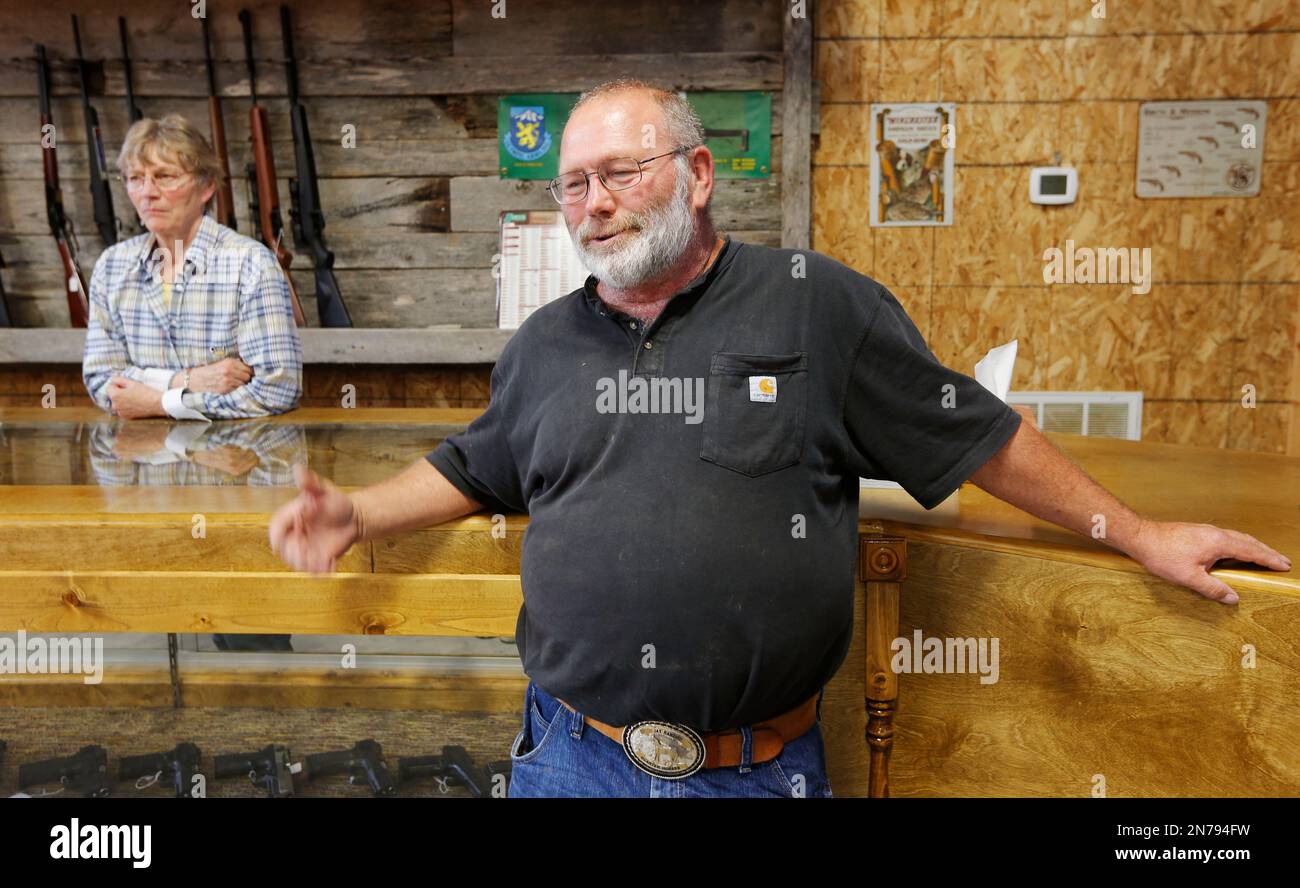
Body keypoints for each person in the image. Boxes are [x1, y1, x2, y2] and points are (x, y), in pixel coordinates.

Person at [267, 79, 1291, 797]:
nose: (594, 203)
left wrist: (1136, 532)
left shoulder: (816, 306)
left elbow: (973, 436)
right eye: (573, 184)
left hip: (752, 775)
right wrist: (357, 513)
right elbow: (475, 464)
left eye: (620, 172)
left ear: (699, 173)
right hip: (567, 761)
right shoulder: (545, 343)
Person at [83, 113, 302, 652]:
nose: (147, 193)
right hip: (142, 506)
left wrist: (156, 399)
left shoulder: (249, 265)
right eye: (136, 178)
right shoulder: (112, 268)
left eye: (165, 177)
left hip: (237, 503)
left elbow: (275, 387)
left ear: (206, 186)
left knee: (255, 660)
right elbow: (100, 381)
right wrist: (188, 383)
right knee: (154, 667)